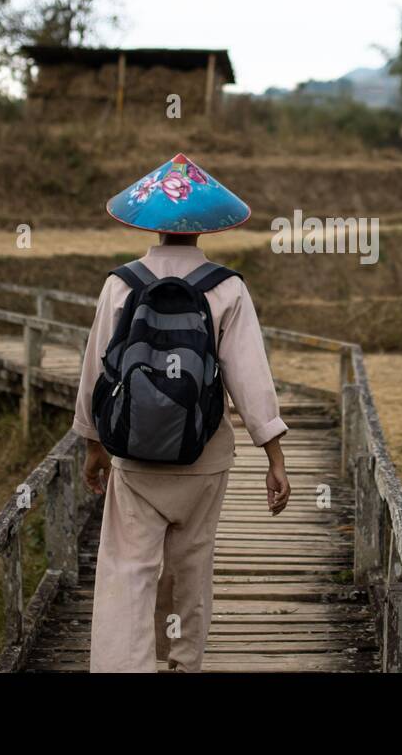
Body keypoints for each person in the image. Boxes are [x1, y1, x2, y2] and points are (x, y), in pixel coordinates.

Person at [72, 153, 291, 673]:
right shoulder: (227, 287)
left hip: (133, 454)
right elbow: (250, 377)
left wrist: (93, 444)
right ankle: (181, 662)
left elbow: (95, 370)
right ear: (204, 226)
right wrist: (274, 455)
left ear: (149, 219)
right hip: (203, 455)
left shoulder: (120, 283)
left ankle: (124, 666)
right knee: (190, 566)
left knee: (129, 569)